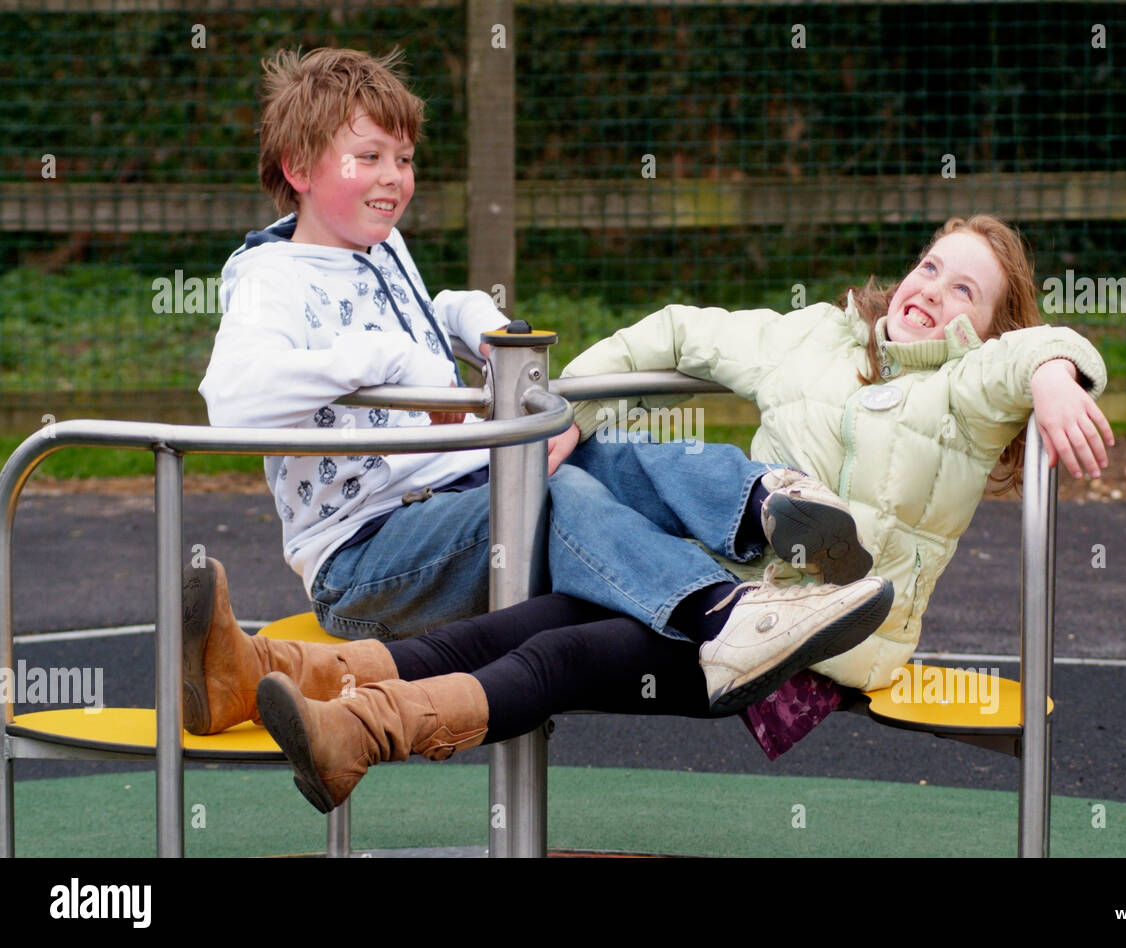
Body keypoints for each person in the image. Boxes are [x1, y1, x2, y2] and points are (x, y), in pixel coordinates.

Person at [236, 212, 1113, 814]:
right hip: (704, 583)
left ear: (991, 327)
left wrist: (1051, 375)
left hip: (822, 641)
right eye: (930, 265)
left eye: (967, 291)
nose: (934, 288)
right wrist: (566, 407)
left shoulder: (970, 390)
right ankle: (278, 675)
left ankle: (360, 731)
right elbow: (681, 331)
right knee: (536, 611)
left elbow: (1044, 347)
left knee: (562, 652)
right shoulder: (820, 337)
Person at [191, 44, 893, 758]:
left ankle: (764, 505)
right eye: (368, 157)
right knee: (551, 494)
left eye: (403, 159)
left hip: (450, 505)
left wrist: (463, 318)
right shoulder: (270, 277)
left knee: (596, 449)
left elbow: (404, 312)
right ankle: (722, 614)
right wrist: (396, 360)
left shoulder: (378, 246)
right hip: (369, 559)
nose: (393, 178)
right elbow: (233, 396)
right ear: (299, 170)